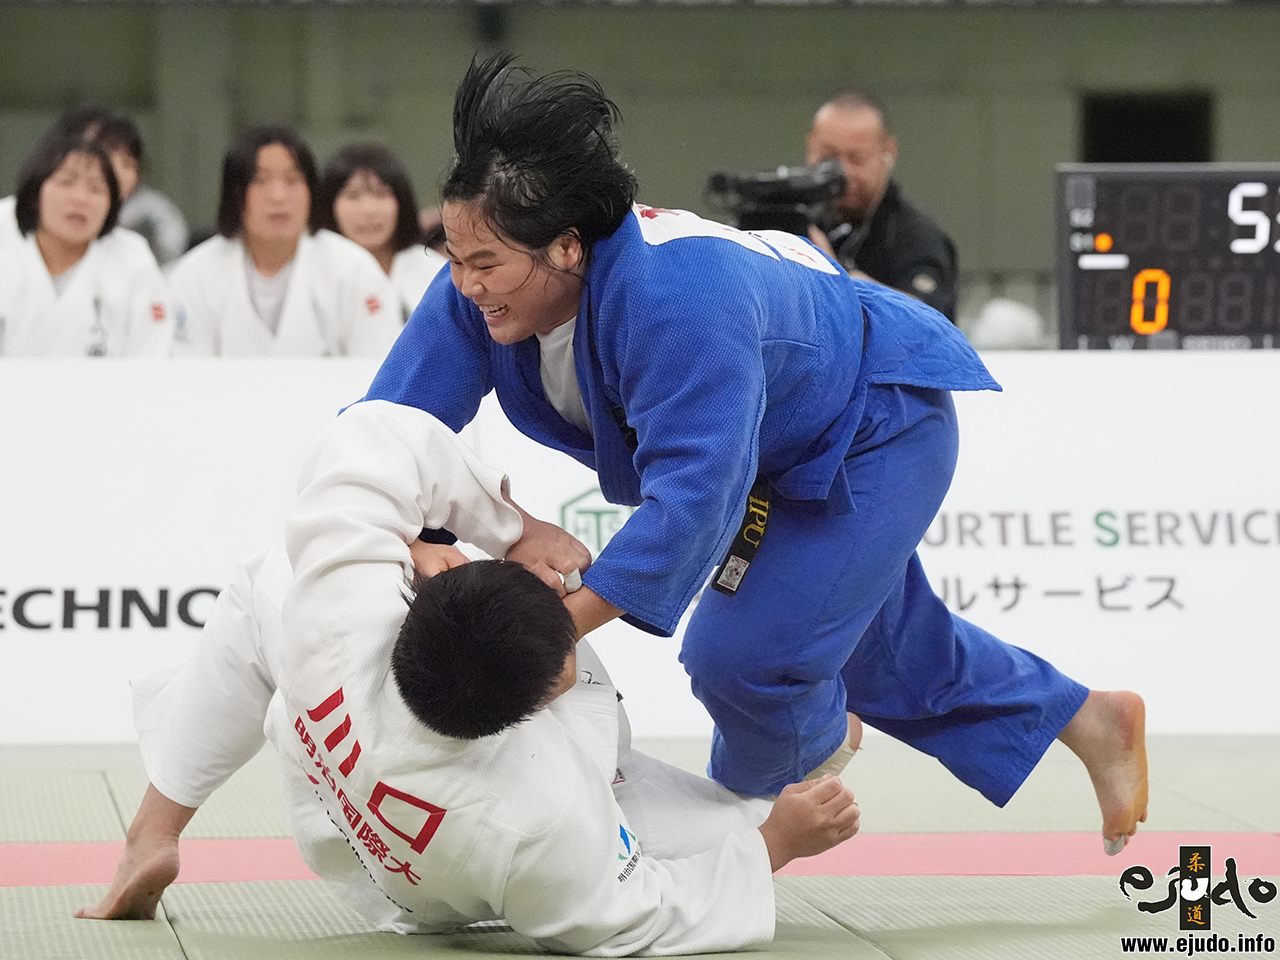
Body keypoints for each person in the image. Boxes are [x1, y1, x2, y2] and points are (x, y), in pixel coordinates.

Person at [362, 54, 1148, 856]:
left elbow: (694, 500)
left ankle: (749, 834)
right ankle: (1089, 718)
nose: (463, 285)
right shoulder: (478, 288)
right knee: (870, 651)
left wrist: (548, 635)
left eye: (483, 264)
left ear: (566, 249)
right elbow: (384, 436)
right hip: (778, 437)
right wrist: (433, 540)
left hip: (877, 420)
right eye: (451, 260)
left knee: (745, 660)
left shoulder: (675, 301)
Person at [77, 401, 860, 955]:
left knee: (267, 585)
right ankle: (774, 812)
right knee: (752, 824)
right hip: (436, 891)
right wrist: (774, 846)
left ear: (412, 605)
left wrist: (489, 534)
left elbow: (371, 439)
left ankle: (152, 834)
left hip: (340, 801)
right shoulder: (548, 821)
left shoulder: (342, 615)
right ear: (543, 702)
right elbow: (632, 916)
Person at [168, 126, 401, 357]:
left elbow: (376, 367)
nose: (278, 196)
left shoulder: (352, 270)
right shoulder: (195, 274)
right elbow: (187, 375)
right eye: (260, 181)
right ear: (234, 193)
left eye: (292, 180)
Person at [0, 135, 173, 357]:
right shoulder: (7, 247)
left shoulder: (132, 259)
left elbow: (153, 355)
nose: (81, 198)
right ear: (35, 194)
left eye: (96, 188)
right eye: (66, 182)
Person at [804, 90, 959, 322]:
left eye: (857, 159)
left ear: (889, 153)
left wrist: (837, 277)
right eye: (828, 156)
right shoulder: (801, 222)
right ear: (810, 148)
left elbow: (925, 320)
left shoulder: (919, 238)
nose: (843, 172)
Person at [317, 143, 448, 322]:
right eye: (353, 196)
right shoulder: (314, 274)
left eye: (381, 194)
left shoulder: (434, 271)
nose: (369, 210)